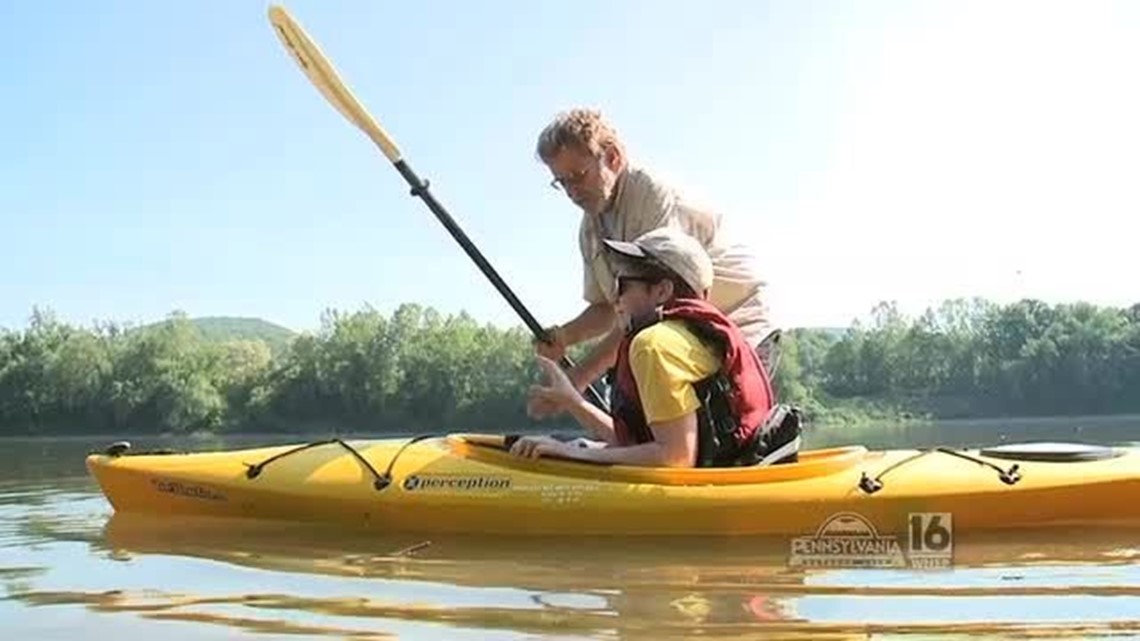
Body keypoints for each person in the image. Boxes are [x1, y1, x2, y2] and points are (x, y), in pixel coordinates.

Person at [530, 108, 777, 417]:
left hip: (739, 328)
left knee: (723, 440)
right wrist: (565, 336)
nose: (572, 192)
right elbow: (608, 308)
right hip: (682, 339)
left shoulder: (651, 195)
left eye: (579, 176)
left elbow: (651, 307)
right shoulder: (589, 228)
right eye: (561, 182)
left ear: (613, 157)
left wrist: (578, 378)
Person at [508, 227, 800, 468]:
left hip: (711, 490)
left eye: (622, 285)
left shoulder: (654, 344)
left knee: (560, 449)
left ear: (661, 291)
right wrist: (574, 401)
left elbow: (674, 458)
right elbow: (640, 446)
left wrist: (572, 453)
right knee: (536, 445)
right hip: (731, 467)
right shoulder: (683, 337)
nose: (615, 299)